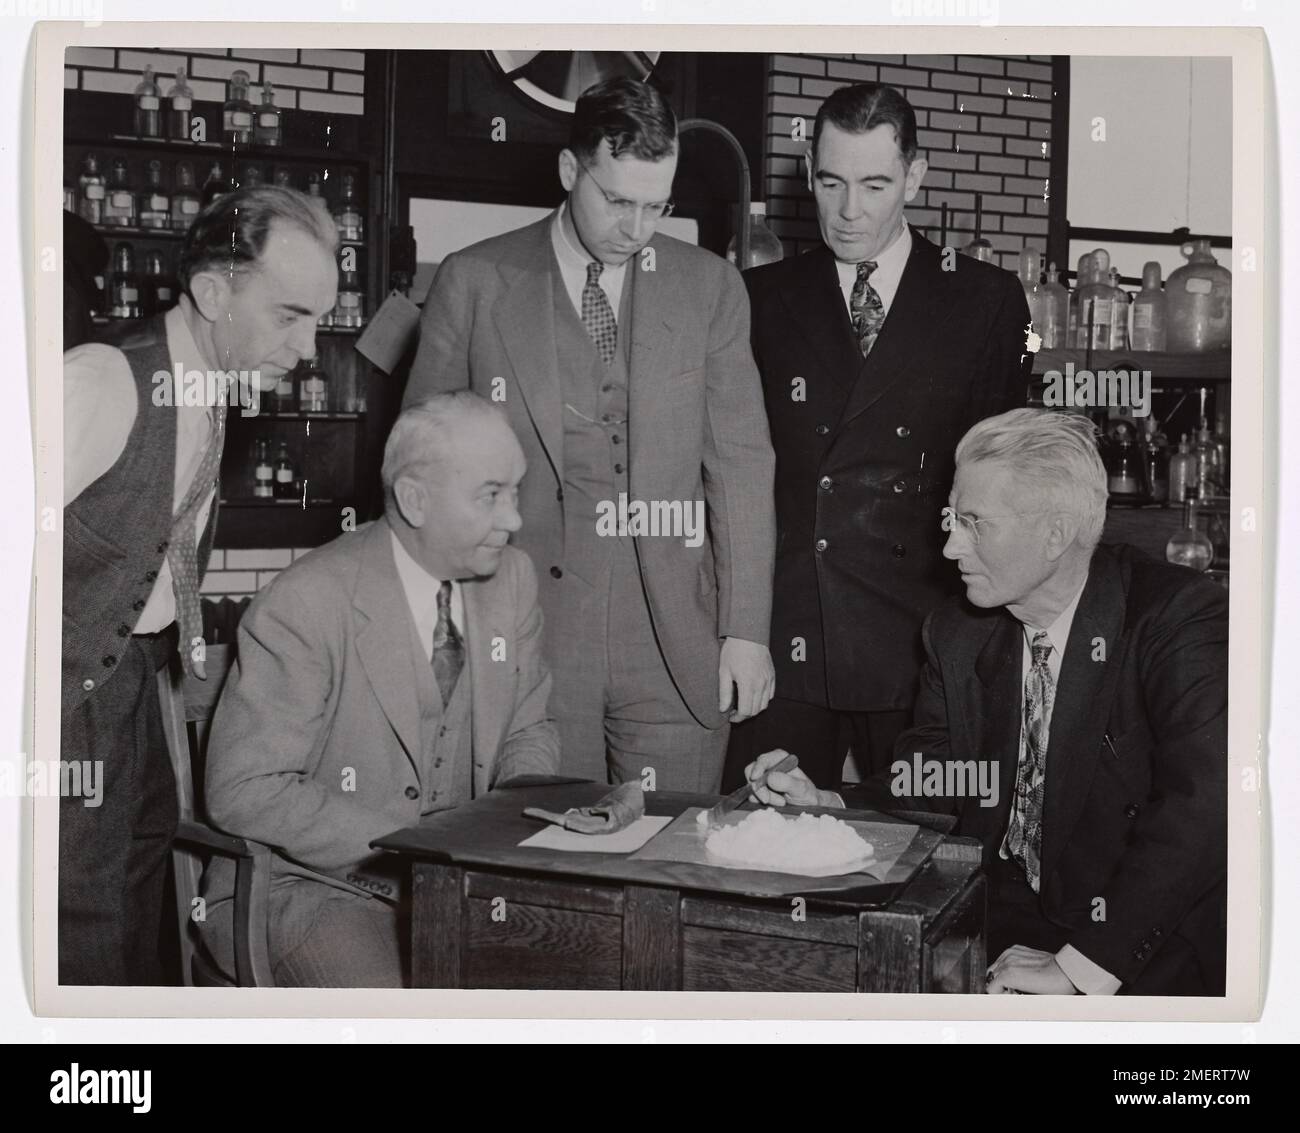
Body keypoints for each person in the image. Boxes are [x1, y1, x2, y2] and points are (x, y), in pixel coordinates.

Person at [743, 409, 1228, 996]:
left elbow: (1203, 810)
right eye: (952, 519)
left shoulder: (1175, 616)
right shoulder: (957, 631)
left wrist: (1077, 970)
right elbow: (944, 773)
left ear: (1055, 533)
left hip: (1137, 934)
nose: (949, 547)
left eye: (974, 523)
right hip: (1001, 910)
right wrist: (832, 802)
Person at [405, 77, 775, 793]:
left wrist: (748, 629)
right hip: (531, 631)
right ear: (571, 171)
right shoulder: (476, 282)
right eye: (617, 200)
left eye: (655, 206)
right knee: (544, 867)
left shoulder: (711, 290)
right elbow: (418, 470)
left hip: (676, 637)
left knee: (675, 861)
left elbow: (741, 467)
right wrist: (437, 620)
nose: (637, 229)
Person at [60, 186, 339, 985]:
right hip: (63, 697)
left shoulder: (212, 395)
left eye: (317, 318)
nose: (309, 347)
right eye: (289, 315)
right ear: (214, 292)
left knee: (135, 896)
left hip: (134, 686)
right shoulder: (104, 382)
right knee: (84, 917)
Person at [723, 82, 1032, 793]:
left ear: (915, 177)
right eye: (831, 182)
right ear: (808, 173)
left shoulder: (985, 300)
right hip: (788, 633)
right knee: (766, 854)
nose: (849, 210)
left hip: (921, 636)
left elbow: (1002, 477)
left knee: (917, 855)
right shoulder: (760, 297)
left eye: (874, 183)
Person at [198, 393, 561, 987]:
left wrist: (502, 838)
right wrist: (407, 850)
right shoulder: (307, 600)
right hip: (308, 887)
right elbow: (244, 789)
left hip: (465, 885)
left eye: (515, 492)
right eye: (490, 495)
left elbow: (530, 729)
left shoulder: (511, 581)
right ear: (415, 501)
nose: (514, 520)